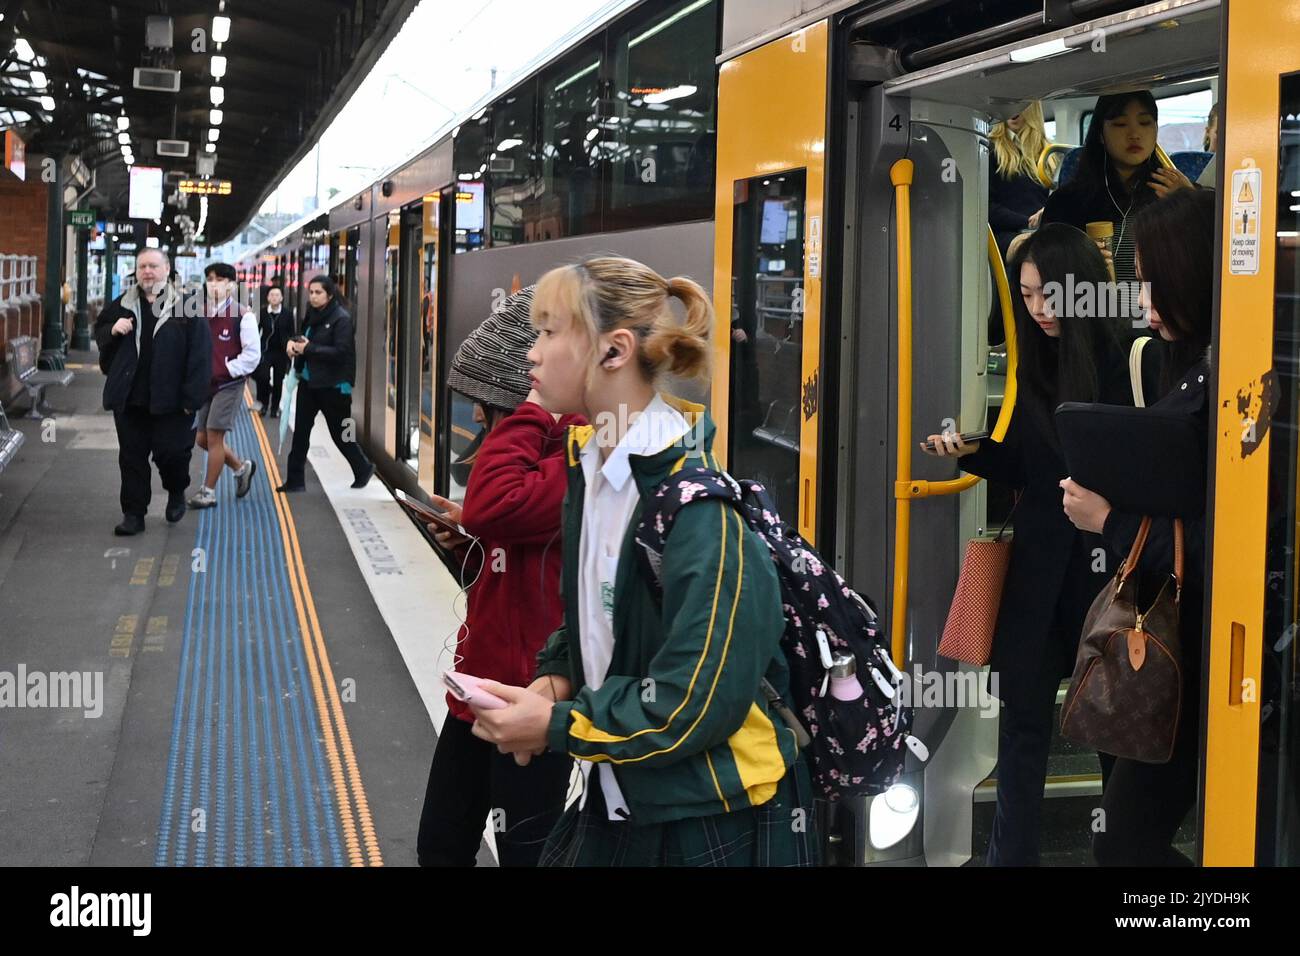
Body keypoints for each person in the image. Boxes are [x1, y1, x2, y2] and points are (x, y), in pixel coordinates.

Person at [466, 256, 819, 867]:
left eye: (550, 331)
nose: (532, 350)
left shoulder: (698, 510)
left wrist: (556, 725)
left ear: (613, 351)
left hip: (712, 820)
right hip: (630, 795)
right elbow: (605, 616)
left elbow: (693, 702)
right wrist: (556, 677)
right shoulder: (596, 473)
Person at [923, 224, 1158, 866]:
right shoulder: (1034, 360)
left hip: (1105, 572)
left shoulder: (1126, 363)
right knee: (1022, 730)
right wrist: (974, 451)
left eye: (1049, 295)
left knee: (1113, 733)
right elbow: (1029, 466)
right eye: (1026, 296)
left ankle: (1123, 858)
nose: (1038, 310)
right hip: (1035, 573)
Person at [1060, 188, 1215, 866]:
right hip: (1187, 639)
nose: (1145, 305)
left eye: (1154, 285)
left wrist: (1111, 522)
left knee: (1122, 842)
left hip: (1205, 651)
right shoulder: (1186, 367)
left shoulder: (1232, 382)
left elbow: (1218, 538)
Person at [415, 287, 581, 867]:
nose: (478, 417)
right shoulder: (531, 456)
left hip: (535, 698)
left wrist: (533, 406)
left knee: (524, 855)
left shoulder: (583, 458)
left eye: (488, 404)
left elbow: (497, 508)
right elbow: (501, 526)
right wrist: (471, 540)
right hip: (478, 688)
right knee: (439, 845)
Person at [93, 248, 211, 535]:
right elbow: (101, 334)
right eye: (142, 266)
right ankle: (134, 514)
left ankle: (175, 491)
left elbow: (201, 356)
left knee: (170, 454)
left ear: (167, 269)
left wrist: (191, 400)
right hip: (131, 399)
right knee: (131, 458)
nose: (147, 271)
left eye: (153, 266)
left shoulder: (187, 307)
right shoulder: (121, 304)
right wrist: (112, 330)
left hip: (172, 403)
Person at [1043, 91, 1194, 314]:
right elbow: (1047, 271)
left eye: (1145, 123)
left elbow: (1205, 264)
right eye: (1120, 124)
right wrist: (1078, 258)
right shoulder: (1067, 202)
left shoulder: (1177, 192)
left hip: (1160, 320)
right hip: (1092, 317)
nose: (1135, 134)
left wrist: (1189, 204)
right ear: (1101, 134)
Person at [277, 275, 374, 492]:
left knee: (340, 434)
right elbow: (303, 337)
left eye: (318, 292)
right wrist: (293, 343)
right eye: (311, 292)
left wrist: (308, 349)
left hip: (334, 387)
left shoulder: (341, 319)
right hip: (309, 383)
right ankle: (295, 481)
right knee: (300, 433)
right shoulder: (312, 315)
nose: (313, 296)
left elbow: (341, 353)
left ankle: (362, 467)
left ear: (329, 294)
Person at [187, 263, 260, 509]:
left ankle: (208, 492)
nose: (213, 284)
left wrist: (225, 370)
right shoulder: (201, 312)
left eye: (219, 279)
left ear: (231, 284)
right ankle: (241, 468)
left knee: (214, 436)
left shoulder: (243, 315)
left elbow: (252, 356)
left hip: (229, 384)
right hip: (206, 384)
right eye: (209, 279)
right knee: (202, 439)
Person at [989, 101, 1052, 262]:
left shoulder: (1049, 154)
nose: (1012, 109)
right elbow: (986, 207)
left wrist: (1048, 211)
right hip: (1006, 231)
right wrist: (1029, 222)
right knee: (1031, 249)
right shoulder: (990, 149)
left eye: (1019, 103)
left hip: (1043, 229)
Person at [253, 285, 295, 417]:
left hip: (281, 352)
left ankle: (275, 408)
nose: (274, 297)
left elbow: (291, 333)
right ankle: (264, 405)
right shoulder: (262, 312)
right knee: (263, 377)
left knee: (278, 381)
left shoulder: (287, 314)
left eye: (277, 295)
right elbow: (255, 331)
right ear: (268, 297)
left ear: (282, 298)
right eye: (272, 295)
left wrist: (291, 347)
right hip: (266, 350)